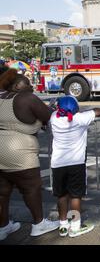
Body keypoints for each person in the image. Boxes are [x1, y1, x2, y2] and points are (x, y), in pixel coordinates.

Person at [0, 67, 59, 241]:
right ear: (17, 86)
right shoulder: (27, 98)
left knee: (2, 191)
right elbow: (50, 116)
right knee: (31, 187)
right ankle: (39, 223)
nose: (31, 86)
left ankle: (3, 226)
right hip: (20, 152)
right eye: (26, 83)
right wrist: (51, 108)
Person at [50, 95, 100, 237]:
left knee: (61, 195)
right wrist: (83, 112)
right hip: (76, 163)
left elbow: (53, 108)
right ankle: (75, 226)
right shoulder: (80, 118)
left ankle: (63, 225)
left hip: (58, 163)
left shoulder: (54, 117)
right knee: (75, 196)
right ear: (75, 109)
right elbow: (99, 110)